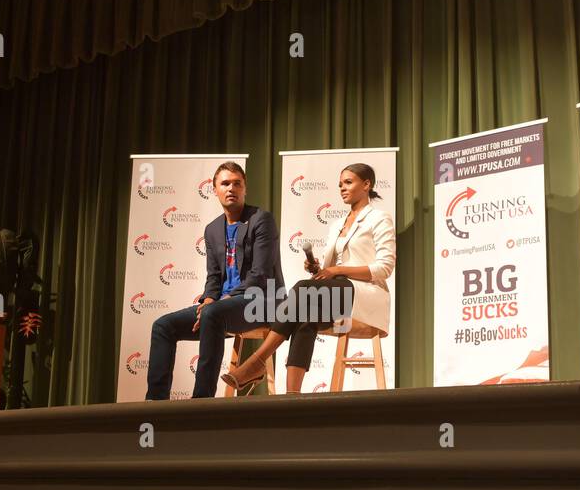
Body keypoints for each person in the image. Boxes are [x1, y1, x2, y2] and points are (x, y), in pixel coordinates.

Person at [223, 163, 395, 394]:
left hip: (365, 295)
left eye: (348, 182)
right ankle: (292, 397)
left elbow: (384, 268)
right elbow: (329, 270)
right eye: (340, 184)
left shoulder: (379, 218)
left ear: (366, 185)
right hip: (337, 294)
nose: (342, 188)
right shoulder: (337, 225)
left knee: (304, 289)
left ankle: (257, 361)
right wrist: (318, 267)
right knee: (305, 315)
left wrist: (335, 272)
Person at [145, 161, 284, 399]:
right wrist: (209, 298)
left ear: (245, 188)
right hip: (221, 308)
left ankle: (202, 400)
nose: (231, 188)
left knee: (213, 313)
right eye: (225, 183)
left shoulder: (261, 220)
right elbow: (213, 277)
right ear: (214, 189)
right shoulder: (212, 229)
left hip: (262, 302)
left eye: (237, 184)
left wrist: (222, 302)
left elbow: (260, 274)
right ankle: (156, 403)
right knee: (163, 326)